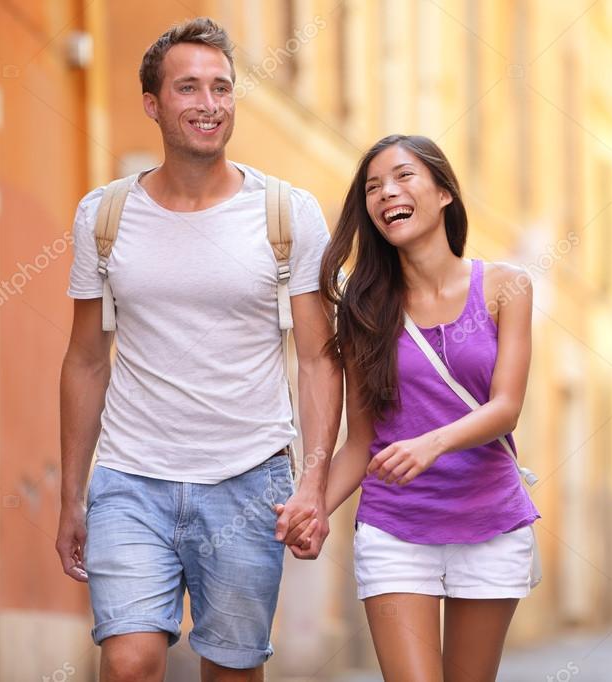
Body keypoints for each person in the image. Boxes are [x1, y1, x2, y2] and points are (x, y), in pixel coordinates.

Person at [55, 17, 341, 682]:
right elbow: (85, 359)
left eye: (221, 87)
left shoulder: (286, 213)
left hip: (248, 479)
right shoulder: (103, 216)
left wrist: (313, 481)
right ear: (153, 104)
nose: (209, 104)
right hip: (130, 477)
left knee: (230, 671)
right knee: (128, 662)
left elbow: (317, 357)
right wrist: (73, 494)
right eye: (188, 88)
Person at [288, 134, 540, 681]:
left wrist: (433, 442)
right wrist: (315, 510)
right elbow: (361, 441)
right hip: (395, 528)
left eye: (403, 177)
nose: (386, 194)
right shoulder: (364, 309)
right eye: (373, 187)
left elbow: (507, 407)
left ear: (444, 192)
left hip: (490, 522)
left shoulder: (506, 288)